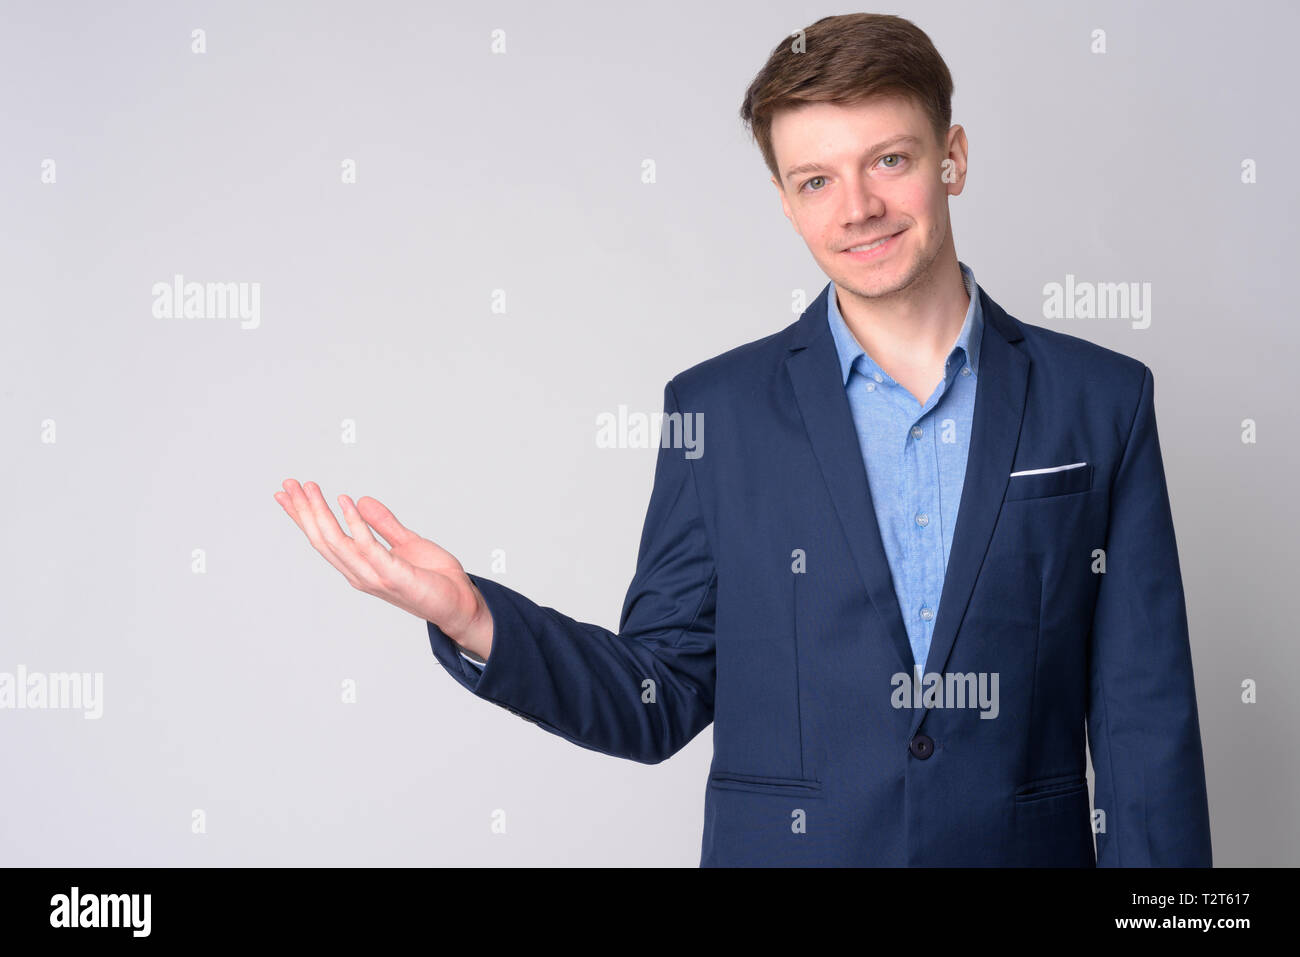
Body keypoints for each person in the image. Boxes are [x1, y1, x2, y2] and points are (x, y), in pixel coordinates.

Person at [274, 12, 1212, 867]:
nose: (857, 207)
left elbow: (1143, 723)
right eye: (817, 179)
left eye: (889, 160)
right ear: (785, 198)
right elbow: (661, 692)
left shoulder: (1103, 400)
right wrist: (472, 615)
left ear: (952, 157)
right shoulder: (714, 413)